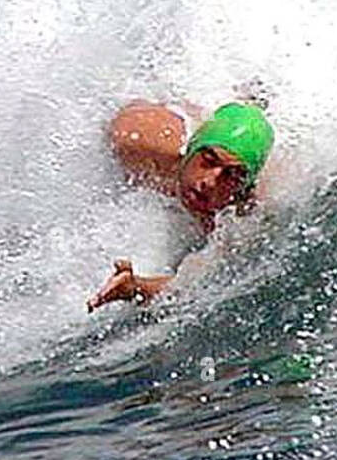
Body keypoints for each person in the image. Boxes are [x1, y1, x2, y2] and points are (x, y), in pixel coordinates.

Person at [86, 99, 275, 312]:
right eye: (209, 160)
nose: (210, 182)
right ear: (193, 148)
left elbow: (192, 283)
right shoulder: (139, 142)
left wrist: (135, 288)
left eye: (231, 176)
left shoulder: (238, 216)